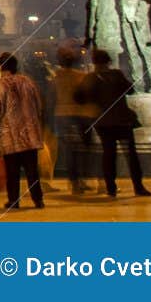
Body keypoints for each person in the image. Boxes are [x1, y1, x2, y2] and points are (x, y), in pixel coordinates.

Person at [78, 49, 151, 198]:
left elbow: (80, 98)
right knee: (131, 155)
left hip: (103, 122)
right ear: (108, 62)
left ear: (94, 62)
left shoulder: (90, 78)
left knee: (109, 155)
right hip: (122, 120)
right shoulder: (116, 75)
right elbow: (130, 90)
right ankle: (138, 186)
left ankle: (111, 188)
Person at [0, 51, 45, 210]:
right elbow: (39, 106)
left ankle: (14, 200)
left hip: (9, 136)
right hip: (30, 134)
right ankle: (38, 200)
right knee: (32, 170)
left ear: (1, 67)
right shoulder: (28, 82)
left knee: (12, 172)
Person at [51, 45, 96, 193]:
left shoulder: (55, 77)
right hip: (82, 116)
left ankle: (74, 182)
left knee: (70, 151)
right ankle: (84, 179)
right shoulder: (81, 76)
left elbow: (51, 99)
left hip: (62, 115)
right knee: (85, 149)